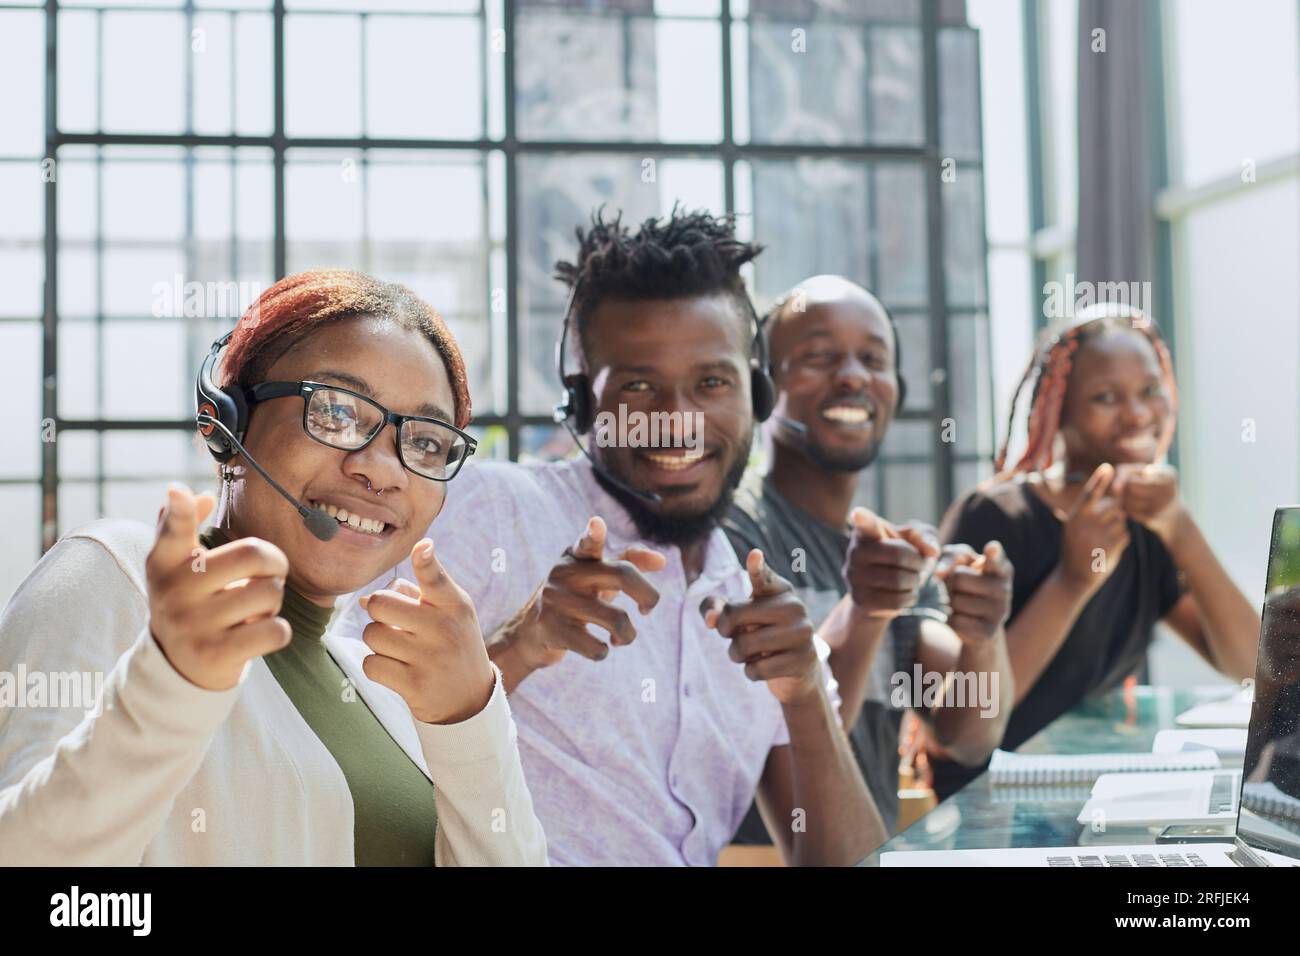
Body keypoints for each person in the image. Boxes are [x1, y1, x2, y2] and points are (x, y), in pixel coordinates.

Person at [336, 209, 884, 866]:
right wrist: (519, 645)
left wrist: (805, 698)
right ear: (583, 407)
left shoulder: (753, 600)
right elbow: (341, 748)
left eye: (711, 382)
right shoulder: (480, 514)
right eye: (639, 386)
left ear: (757, 395)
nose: (677, 422)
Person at [0, 270, 547, 865]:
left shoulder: (379, 687)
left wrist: (469, 718)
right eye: (336, 411)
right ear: (230, 422)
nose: (383, 470)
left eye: (425, 441)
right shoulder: (116, 577)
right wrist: (172, 683)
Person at [723, 275, 1013, 841]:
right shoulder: (733, 537)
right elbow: (779, 750)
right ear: (763, 388)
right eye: (818, 357)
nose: (853, 376)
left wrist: (983, 633)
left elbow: (968, 732)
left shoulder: (891, 553)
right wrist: (864, 611)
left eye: (873, 359)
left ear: (895, 390)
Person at [932, 302, 1261, 798]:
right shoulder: (996, 516)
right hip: (988, 803)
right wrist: (1073, 579)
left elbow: (1251, 666)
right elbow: (966, 719)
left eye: (1151, 391)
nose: (1137, 414)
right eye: (1105, 398)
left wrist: (1180, 528)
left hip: (1094, 792)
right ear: (1057, 409)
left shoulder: (1148, 526)